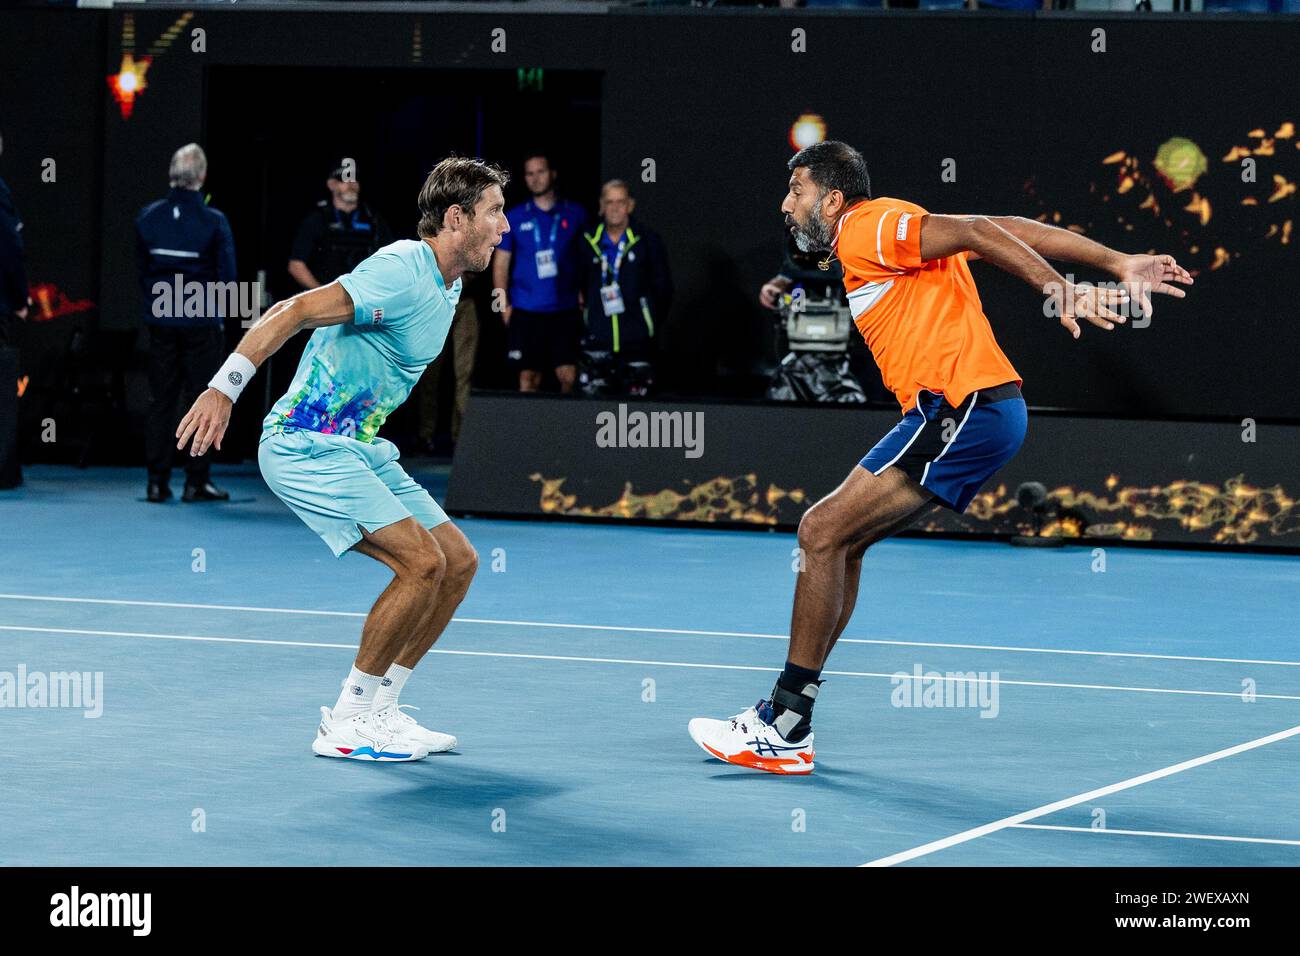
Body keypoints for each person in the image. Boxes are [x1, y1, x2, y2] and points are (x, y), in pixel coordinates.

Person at [688, 140, 1193, 774]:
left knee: (819, 532)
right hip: (964, 410)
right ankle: (789, 721)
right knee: (840, 543)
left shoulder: (862, 228)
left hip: (961, 407)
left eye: (797, 192)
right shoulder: (895, 230)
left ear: (834, 198)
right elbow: (1000, 229)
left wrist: (1059, 289)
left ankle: (783, 725)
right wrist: (1115, 260)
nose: (786, 205)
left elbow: (984, 231)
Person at [175, 156, 510, 762]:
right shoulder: (403, 268)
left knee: (457, 562)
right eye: (495, 212)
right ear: (456, 218)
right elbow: (296, 310)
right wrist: (223, 387)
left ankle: (384, 709)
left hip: (360, 447)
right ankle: (349, 719)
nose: (505, 226)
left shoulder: (451, 283)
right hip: (305, 442)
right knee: (420, 562)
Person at [135, 143, 235, 503]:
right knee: (202, 400)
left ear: (171, 175)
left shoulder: (148, 216)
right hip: (200, 322)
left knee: (161, 399)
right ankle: (196, 482)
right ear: (202, 177)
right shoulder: (214, 221)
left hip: (161, 319)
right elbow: (227, 278)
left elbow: (142, 272)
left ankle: (156, 482)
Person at [491, 153, 587, 393]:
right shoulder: (513, 217)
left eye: (540, 171)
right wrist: (503, 306)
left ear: (553, 174)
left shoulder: (576, 214)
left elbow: (587, 260)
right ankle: (525, 430)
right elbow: (500, 265)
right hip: (526, 311)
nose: (535, 178)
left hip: (564, 309)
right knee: (528, 378)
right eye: (529, 173)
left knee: (568, 376)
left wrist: (585, 295)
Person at [577, 179, 672, 393]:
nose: (615, 208)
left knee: (637, 416)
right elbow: (576, 284)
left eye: (620, 202)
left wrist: (649, 322)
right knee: (591, 414)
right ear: (601, 205)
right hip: (597, 342)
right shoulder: (587, 241)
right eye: (610, 202)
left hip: (637, 342)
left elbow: (664, 288)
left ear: (630, 205)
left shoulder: (647, 240)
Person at [287, 162, 394, 290]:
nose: (351, 185)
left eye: (355, 180)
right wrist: (321, 293)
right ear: (331, 184)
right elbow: (296, 265)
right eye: (344, 180)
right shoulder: (317, 219)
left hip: (363, 297)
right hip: (327, 296)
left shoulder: (373, 218)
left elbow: (391, 260)